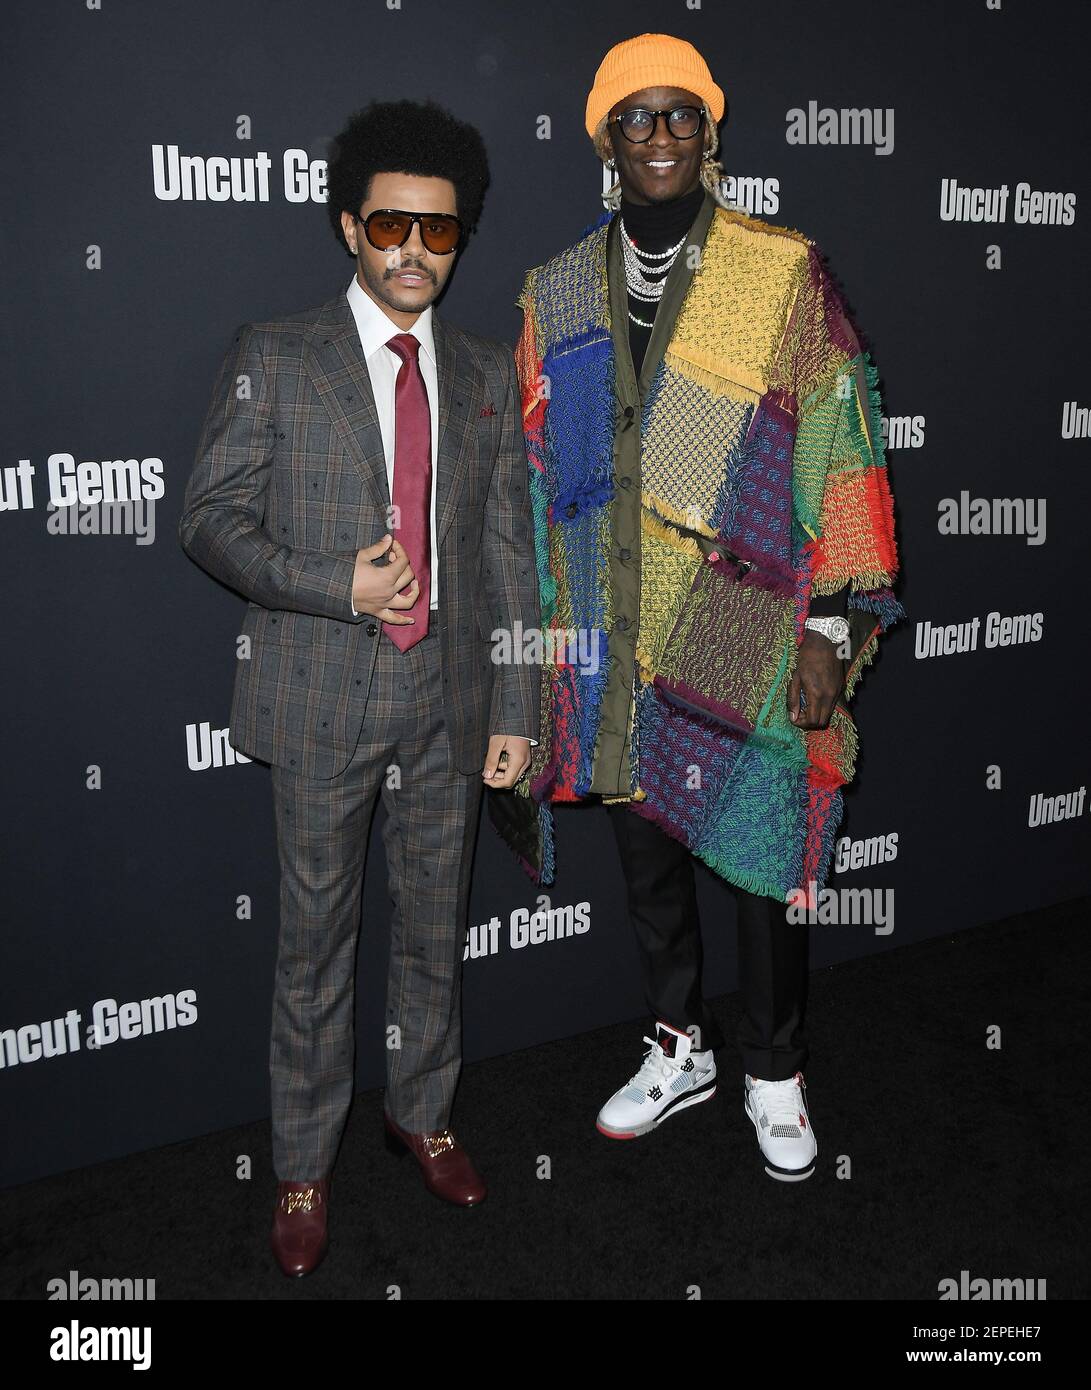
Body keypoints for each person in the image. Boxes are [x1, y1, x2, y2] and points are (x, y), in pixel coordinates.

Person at [489, 34, 903, 1182]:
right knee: (645, 855)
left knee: (760, 852)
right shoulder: (555, 290)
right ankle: (677, 1042)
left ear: (709, 133)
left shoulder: (780, 271)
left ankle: (774, 1068)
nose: (659, 135)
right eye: (636, 116)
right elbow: (531, 475)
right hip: (612, 617)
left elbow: (838, 440)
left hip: (740, 616)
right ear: (605, 139)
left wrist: (829, 623)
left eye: (681, 115)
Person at [179, 98, 540, 1275]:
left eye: (438, 231)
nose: (413, 251)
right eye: (390, 225)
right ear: (349, 226)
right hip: (324, 700)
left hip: (449, 706)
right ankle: (300, 1163)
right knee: (314, 951)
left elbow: (508, 552)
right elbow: (208, 519)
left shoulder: (481, 374)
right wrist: (334, 583)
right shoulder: (275, 356)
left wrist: (519, 705)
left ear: (459, 237)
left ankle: (422, 1113)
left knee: (434, 931)